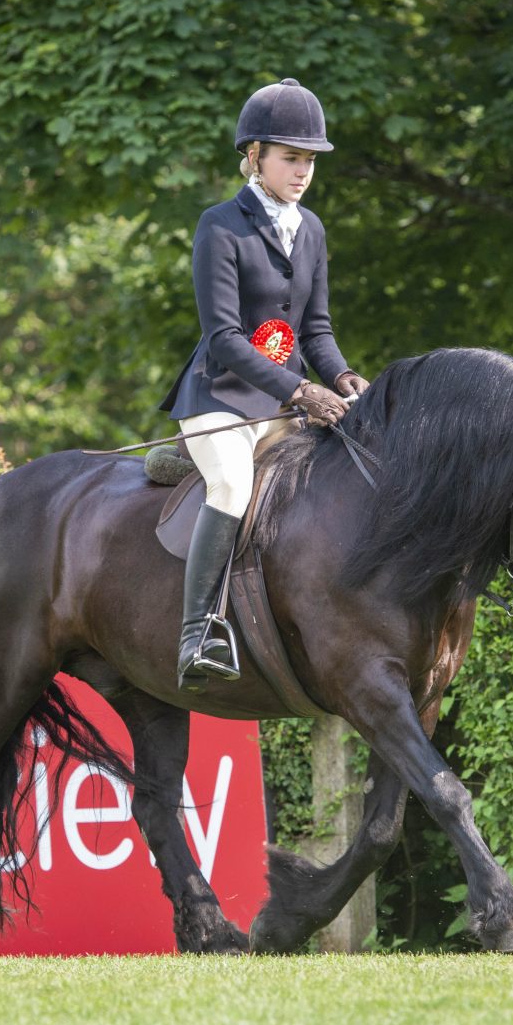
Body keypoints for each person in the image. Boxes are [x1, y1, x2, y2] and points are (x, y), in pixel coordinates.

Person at [158, 78, 368, 691]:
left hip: (283, 401)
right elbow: (224, 337)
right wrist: (303, 393)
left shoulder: (313, 230)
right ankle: (197, 633)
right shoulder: (220, 226)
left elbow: (318, 330)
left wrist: (343, 377)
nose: (302, 172)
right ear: (254, 157)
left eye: (309, 161)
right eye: (290, 158)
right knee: (232, 484)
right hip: (219, 397)